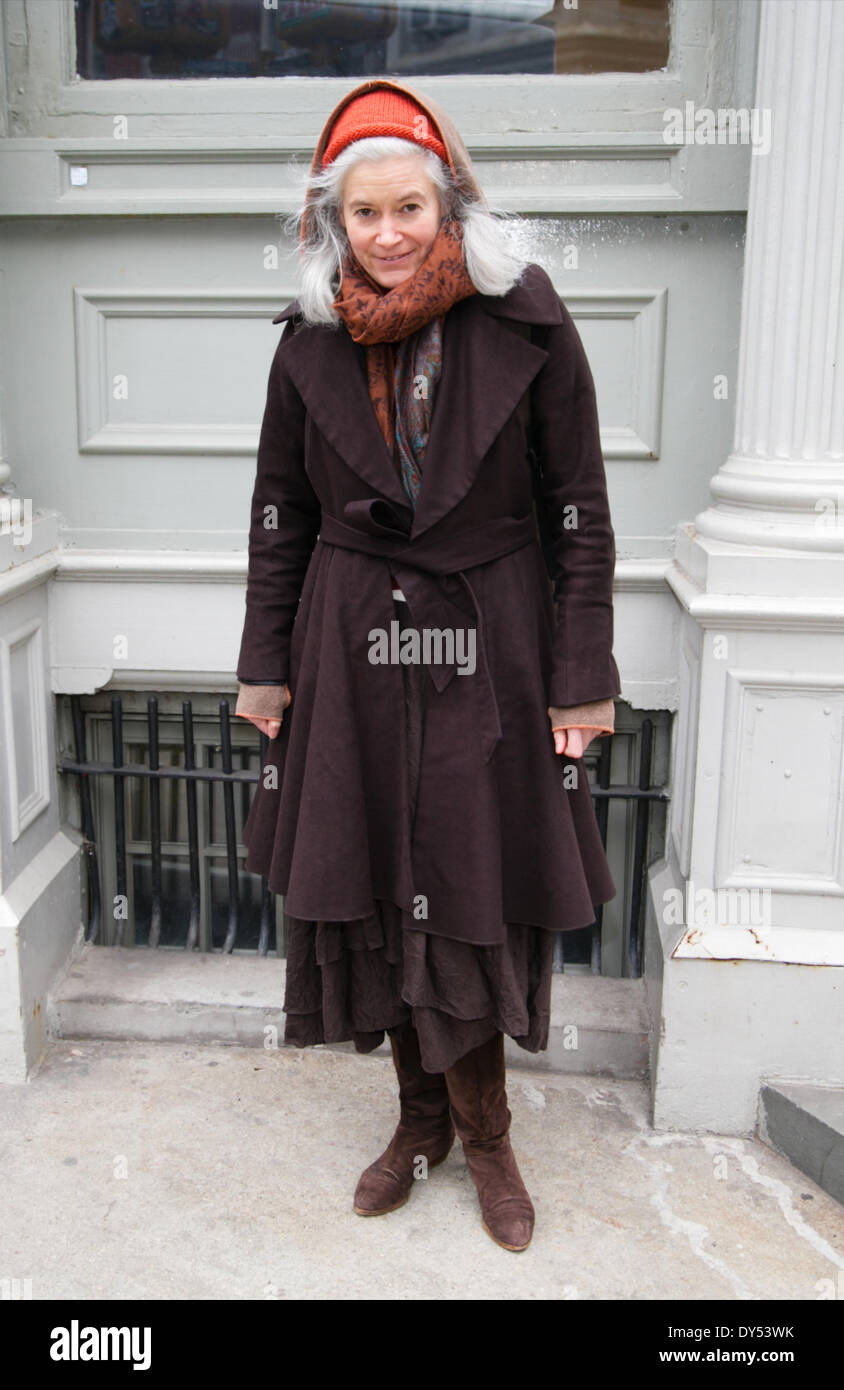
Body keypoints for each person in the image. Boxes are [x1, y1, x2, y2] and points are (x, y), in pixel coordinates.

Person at [234, 78, 621, 1254]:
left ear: (449, 203)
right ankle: (418, 1122)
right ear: (332, 224)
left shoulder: (528, 319)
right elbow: (279, 514)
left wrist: (579, 681)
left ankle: (486, 1129)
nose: (389, 233)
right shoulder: (306, 339)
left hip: (488, 642)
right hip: (348, 647)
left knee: (468, 891)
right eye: (365, 214)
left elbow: (580, 514)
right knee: (376, 876)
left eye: (410, 205)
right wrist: (267, 670)